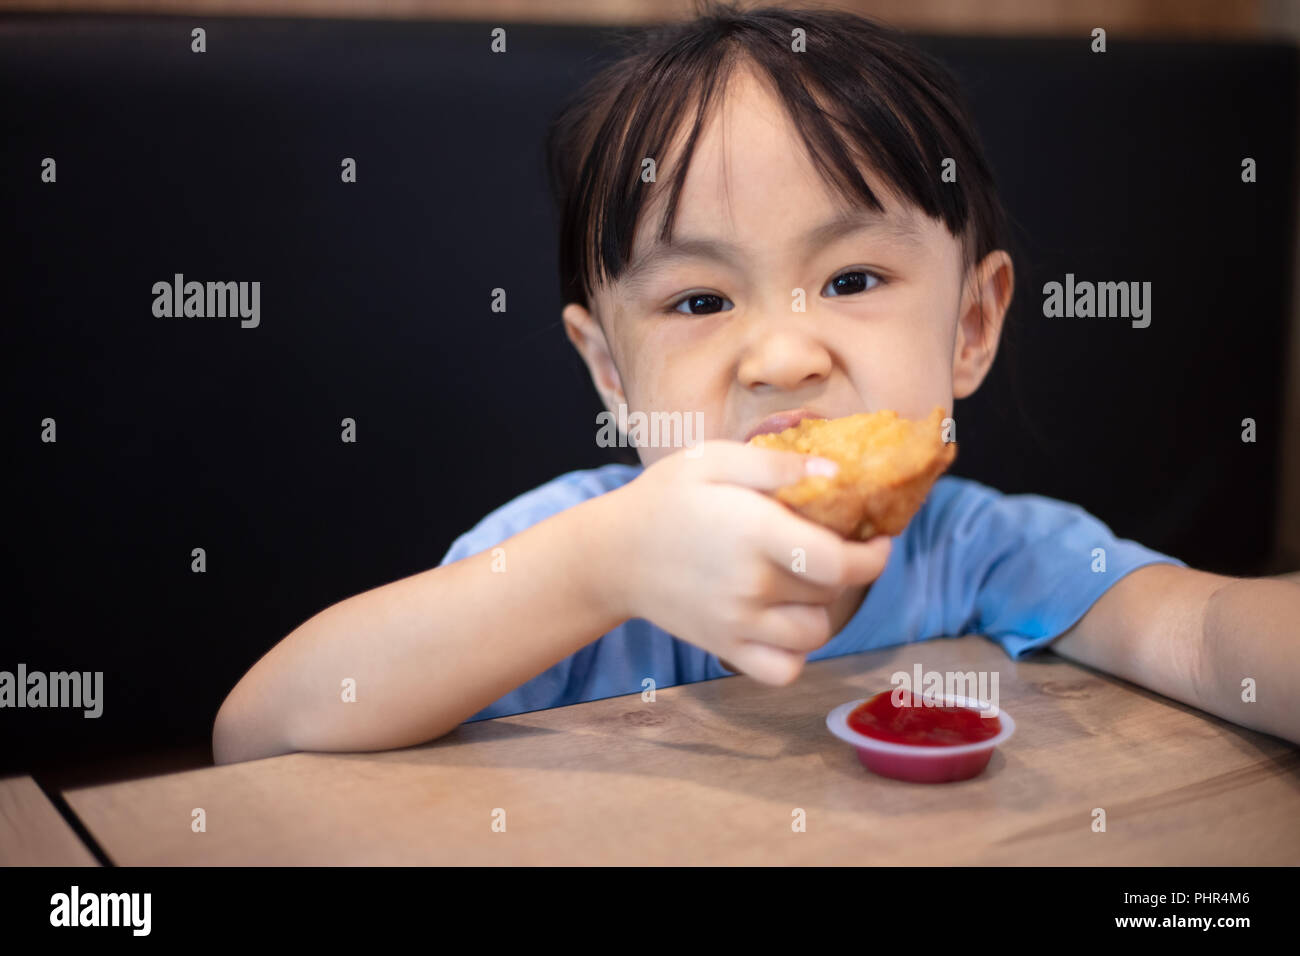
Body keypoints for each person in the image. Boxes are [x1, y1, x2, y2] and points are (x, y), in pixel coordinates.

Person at [213, 2, 1300, 764]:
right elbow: (258, 734)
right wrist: (595, 570)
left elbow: (1206, 634)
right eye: (698, 300)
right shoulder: (571, 549)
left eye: (852, 277)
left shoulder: (985, 552)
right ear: (609, 370)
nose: (783, 356)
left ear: (971, 324)